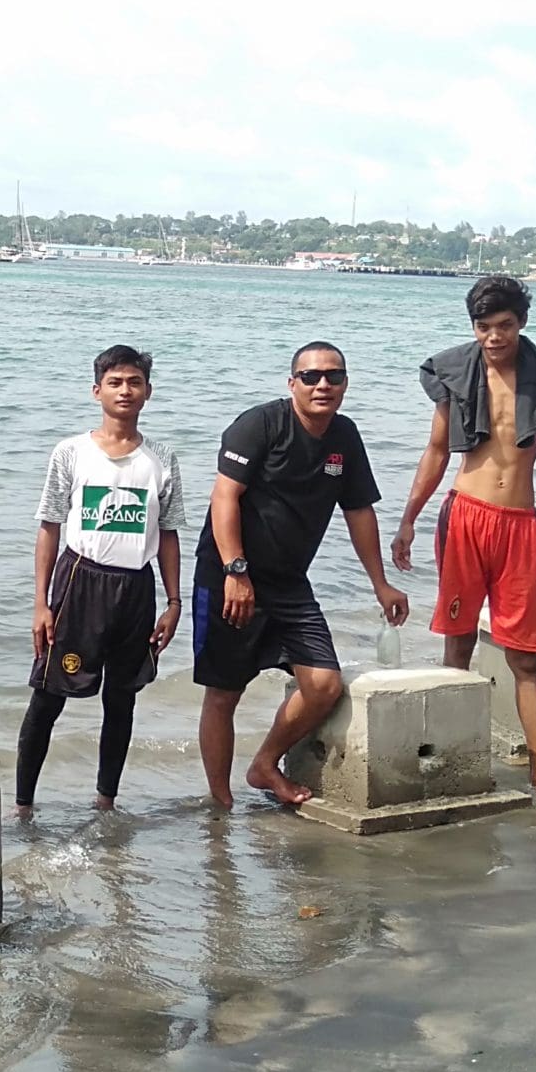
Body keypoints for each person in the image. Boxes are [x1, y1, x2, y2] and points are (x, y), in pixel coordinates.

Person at [391, 275, 536, 809]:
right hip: (465, 516)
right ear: (473, 326)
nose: (494, 337)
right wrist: (408, 518)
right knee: (457, 643)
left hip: (520, 524)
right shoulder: (457, 373)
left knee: (526, 658)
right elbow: (436, 450)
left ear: (521, 323)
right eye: (484, 327)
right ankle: (453, 767)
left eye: (504, 326)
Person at [192, 342, 410, 807]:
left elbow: (359, 511)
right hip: (230, 575)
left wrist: (381, 583)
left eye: (333, 376)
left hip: (290, 583)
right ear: (292, 383)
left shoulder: (345, 438)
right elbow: (224, 498)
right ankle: (220, 805)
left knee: (324, 685)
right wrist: (236, 570)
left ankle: (264, 764)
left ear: (346, 384)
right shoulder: (260, 425)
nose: (322, 385)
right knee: (224, 692)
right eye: (310, 377)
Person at [16, 344, 187, 817]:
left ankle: (105, 802)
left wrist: (174, 602)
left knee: (122, 700)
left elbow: (169, 533)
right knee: (48, 697)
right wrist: (41, 603)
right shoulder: (71, 452)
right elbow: (49, 527)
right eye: (115, 382)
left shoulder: (162, 459)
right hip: (78, 584)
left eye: (134, 382)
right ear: (97, 391)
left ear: (148, 392)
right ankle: (24, 806)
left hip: (135, 588)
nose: (125, 390)